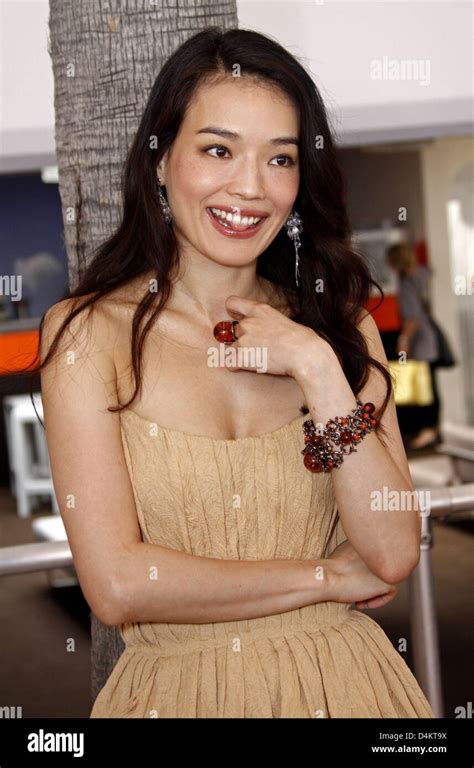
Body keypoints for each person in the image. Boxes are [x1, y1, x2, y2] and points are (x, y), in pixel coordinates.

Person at [37, 28, 433, 718]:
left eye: (279, 158)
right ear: (160, 162)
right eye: (218, 149)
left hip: (352, 694)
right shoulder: (87, 336)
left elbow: (393, 549)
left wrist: (314, 365)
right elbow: (118, 585)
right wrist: (325, 574)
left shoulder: (340, 329)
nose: (250, 188)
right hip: (177, 696)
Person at [386, 243, 441, 450]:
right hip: (430, 337)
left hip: (420, 341)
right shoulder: (424, 274)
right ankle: (432, 429)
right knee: (431, 384)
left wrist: (403, 341)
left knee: (425, 386)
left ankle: (428, 431)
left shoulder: (407, 282)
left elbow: (412, 318)